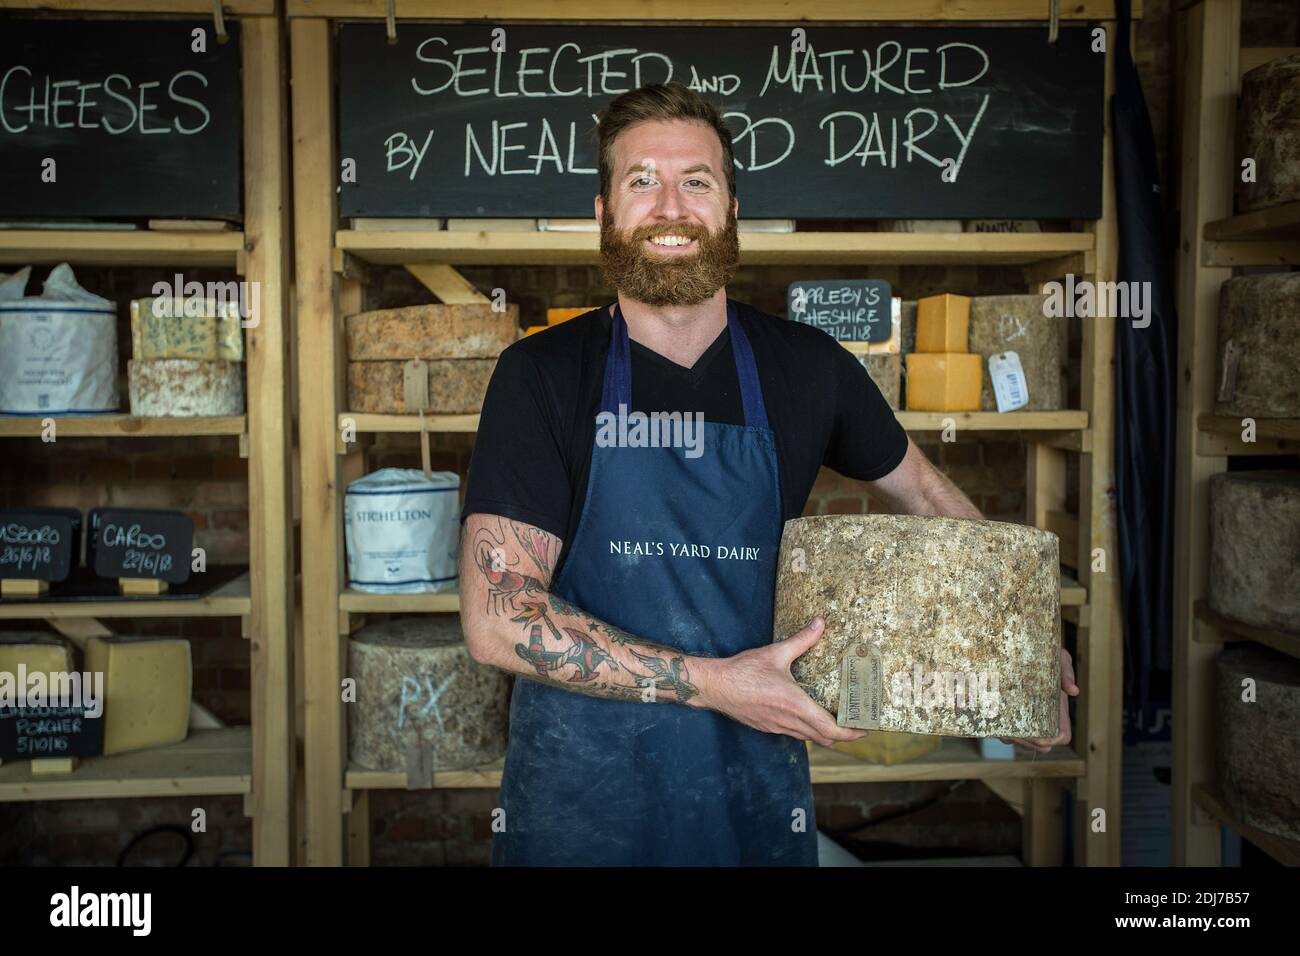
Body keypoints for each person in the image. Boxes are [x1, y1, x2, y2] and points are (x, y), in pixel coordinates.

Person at [459, 81, 1077, 867]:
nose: (670, 206)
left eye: (697, 181)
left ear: (732, 207)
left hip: (753, 783)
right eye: (641, 180)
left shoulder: (808, 368)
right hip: (582, 799)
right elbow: (498, 620)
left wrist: (1020, 638)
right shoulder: (540, 376)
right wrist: (716, 684)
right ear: (604, 213)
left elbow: (922, 492)